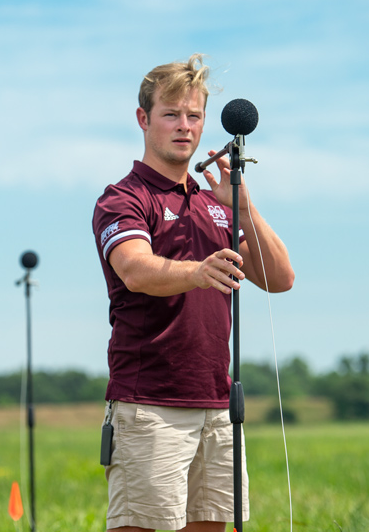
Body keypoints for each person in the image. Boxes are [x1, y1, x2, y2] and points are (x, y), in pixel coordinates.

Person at [92, 54, 295, 532]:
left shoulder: (215, 204)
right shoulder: (123, 198)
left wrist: (245, 209)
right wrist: (197, 272)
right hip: (149, 403)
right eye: (170, 114)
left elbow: (280, 277)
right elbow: (135, 270)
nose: (184, 127)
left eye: (194, 116)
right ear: (144, 119)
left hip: (218, 404)